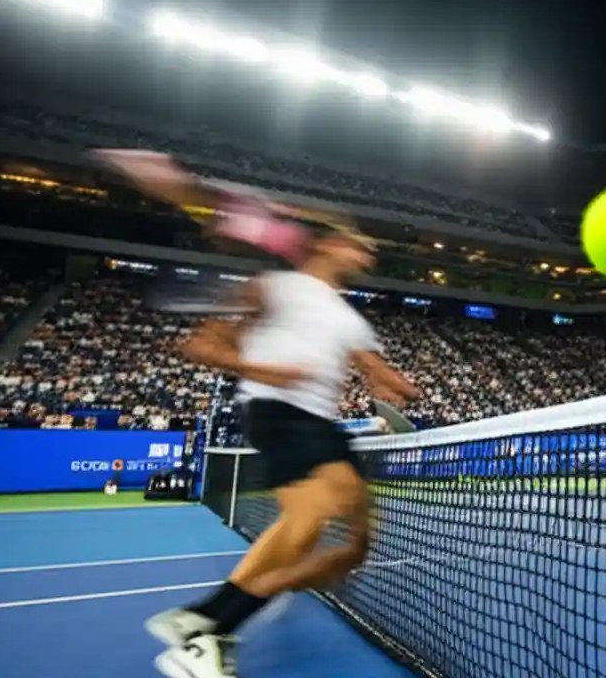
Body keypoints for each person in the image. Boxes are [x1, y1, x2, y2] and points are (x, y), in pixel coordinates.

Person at [145, 223, 421, 678]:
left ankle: (209, 617)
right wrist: (261, 369)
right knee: (312, 515)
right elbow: (201, 345)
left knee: (352, 545)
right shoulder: (276, 288)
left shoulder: (352, 319)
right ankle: (207, 632)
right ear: (329, 243)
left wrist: (392, 383)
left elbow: (374, 368)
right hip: (277, 411)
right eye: (360, 245)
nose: (367, 256)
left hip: (321, 426)